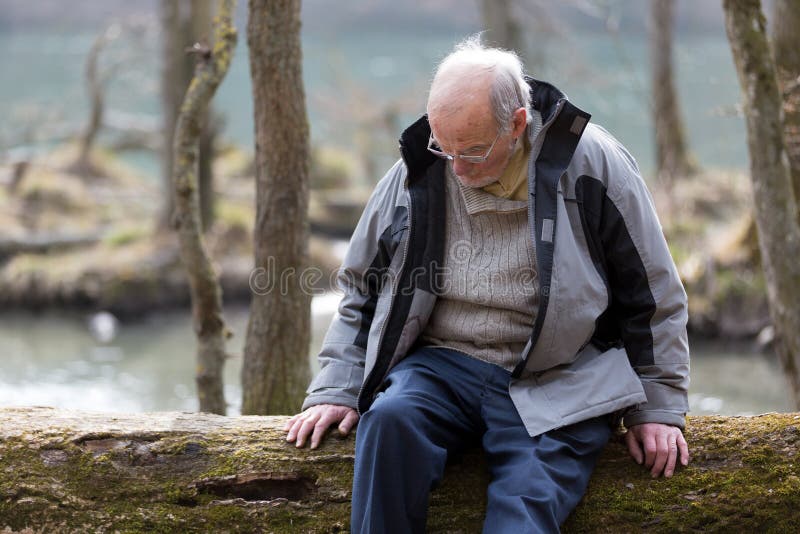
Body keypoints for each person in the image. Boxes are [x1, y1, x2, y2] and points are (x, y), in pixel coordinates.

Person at [284, 35, 690, 533]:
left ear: (516, 124)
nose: (455, 167)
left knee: (523, 515)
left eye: (472, 152)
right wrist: (337, 388)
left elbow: (652, 293)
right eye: (443, 146)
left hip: (559, 378)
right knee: (389, 422)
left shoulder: (593, 164)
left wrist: (658, 406)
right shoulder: (420, 169)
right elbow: (362, 288)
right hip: (441, 367)